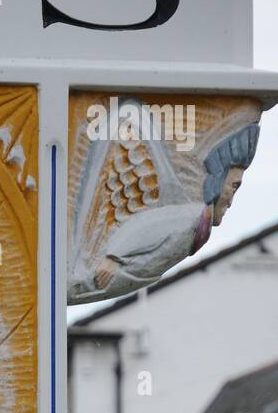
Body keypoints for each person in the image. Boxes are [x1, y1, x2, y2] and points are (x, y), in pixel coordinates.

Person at [71, 123, 260, 303]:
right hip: (106, 269)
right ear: (219, 181)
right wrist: (113, 259)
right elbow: (145, 226)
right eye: (234, 186)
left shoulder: (198, 225)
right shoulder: (189, 218)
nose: (232, 201)